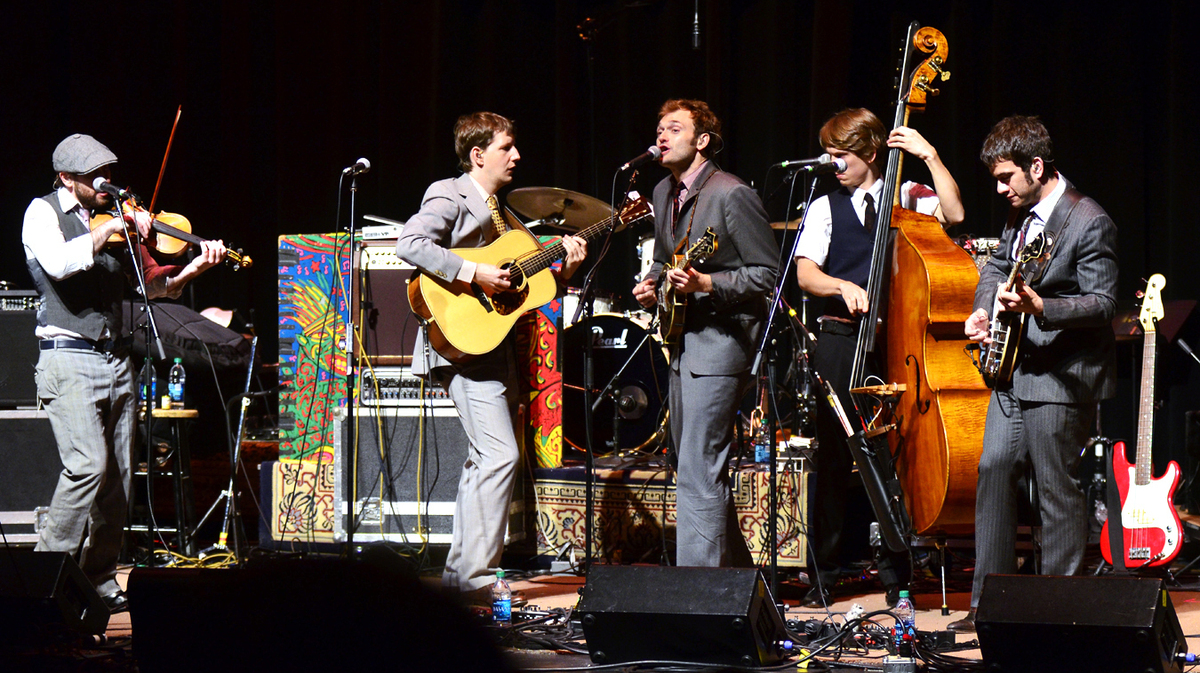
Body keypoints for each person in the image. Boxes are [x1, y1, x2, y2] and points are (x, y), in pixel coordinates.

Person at [24, 133, 227, 612]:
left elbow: (153, 289)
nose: (106, 182)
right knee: (87, 466)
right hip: (67, 356)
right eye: (95, 176)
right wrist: (112, 223)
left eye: (108, 173)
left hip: (116, 359)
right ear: (66, 179)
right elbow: (62, 263)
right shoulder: (43, 213)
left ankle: (98, 578)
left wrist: (192, 269)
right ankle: (42, 578)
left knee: (117, 480)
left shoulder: (116, 227)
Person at [395, 112, 587, 600]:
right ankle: (476, 580)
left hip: (492, 346)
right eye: (506, 147)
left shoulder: (506, 213)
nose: (517, 156)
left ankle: (462, 579)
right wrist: (475, 275)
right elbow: (410, 243)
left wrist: (563, 269)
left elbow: (526, 280)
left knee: (486, 460)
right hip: (460, 343)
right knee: (501, 455)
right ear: (478, 154)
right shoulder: (449, 192)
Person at [792, 108, 964, 608]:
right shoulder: (826, 206)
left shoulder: (908, 197)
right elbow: (805, 273)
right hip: (842, 339)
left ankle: (899, 572)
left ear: (870, 154)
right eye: (829, 155)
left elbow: (953, 215)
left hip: (899, 343)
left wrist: (928, 156)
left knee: (892, 457)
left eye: (841, 156)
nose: (834, 165)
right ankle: (824, 571)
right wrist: (842, 285)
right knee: (833, 453)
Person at [952, 115, 1117, 632]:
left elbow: (1105, 301)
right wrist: (984, 310)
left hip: (1064, 376)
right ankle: (988, 609)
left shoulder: (1089, 220)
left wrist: (1042, 306)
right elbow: (997, 268)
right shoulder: (1019, 216)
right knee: (993, 470)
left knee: (1056, 492)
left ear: (1036, 166)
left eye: (1007, 178)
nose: (1001, 189)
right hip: (1015, 370)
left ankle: (1059, 611)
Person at [632, 99, 778, 567]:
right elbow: (665, 255)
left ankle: (697, 593)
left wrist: (708, 283)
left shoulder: (730, 193)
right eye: (659, 129)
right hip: (680, 342)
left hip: (721, 348)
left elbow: (768, 275)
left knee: (698, 466)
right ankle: (735, 585)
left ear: (702, 141)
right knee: (693, 465)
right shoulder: (661, 191)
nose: (661, 136)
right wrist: (652, 283)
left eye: (674, 129)